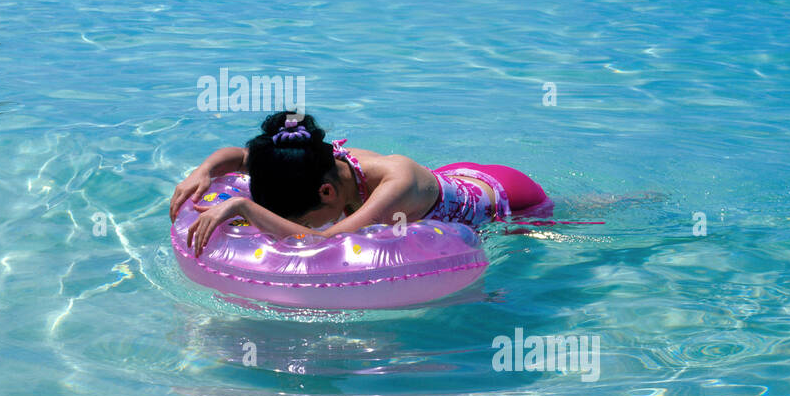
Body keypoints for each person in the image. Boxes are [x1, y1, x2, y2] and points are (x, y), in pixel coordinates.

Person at [170, 112, 548, 256]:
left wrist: (242, 207)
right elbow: (238, 156)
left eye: (306, 218)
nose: (308, 225)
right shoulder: (306, 159)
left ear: (327, 192)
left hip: (508, 198)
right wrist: (203, 171)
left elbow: (322, 241)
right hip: (451, 178)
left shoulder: (393, 187)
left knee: (588, 216)